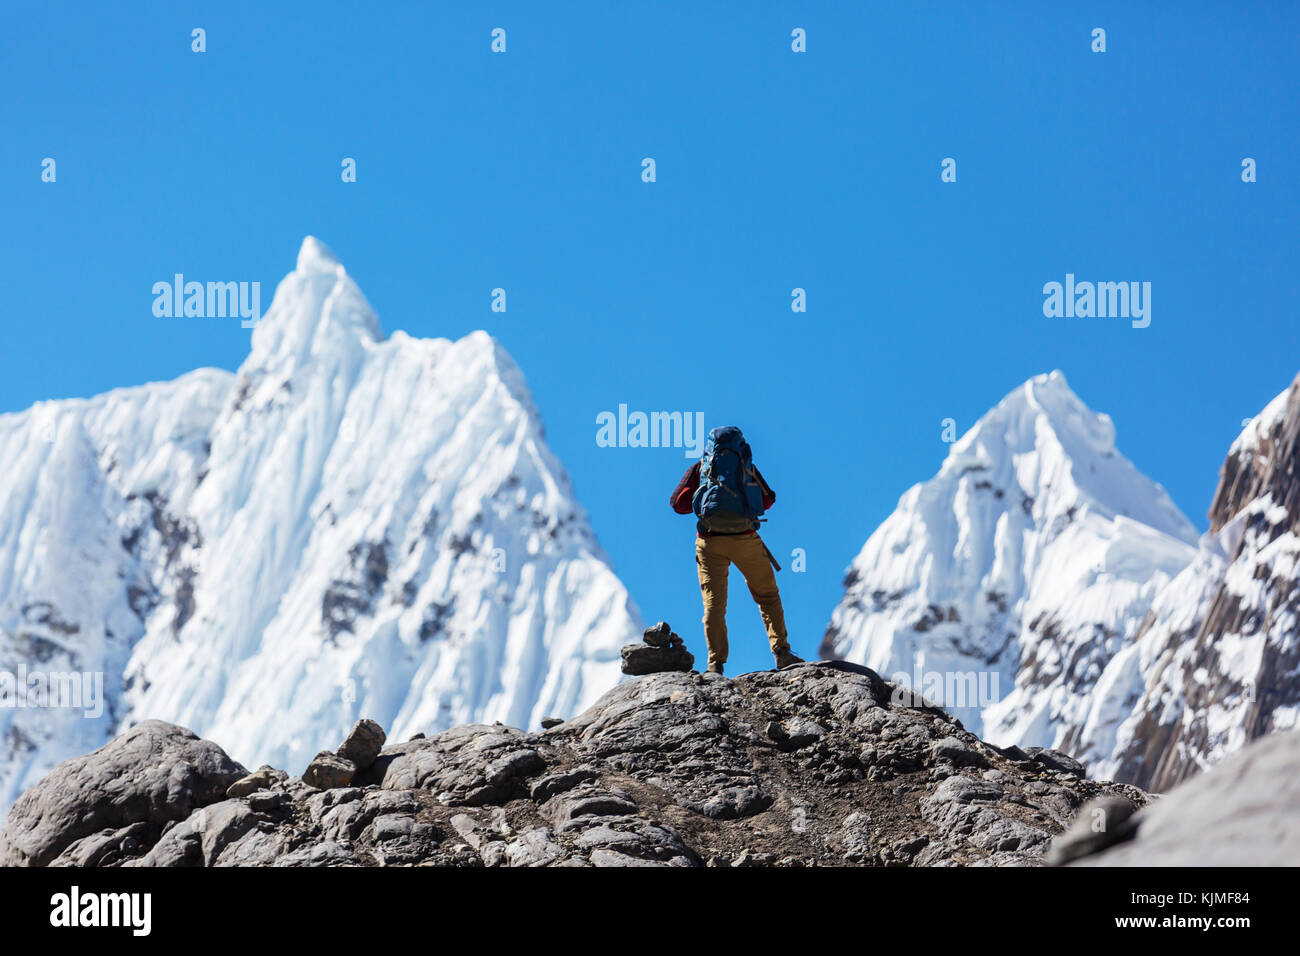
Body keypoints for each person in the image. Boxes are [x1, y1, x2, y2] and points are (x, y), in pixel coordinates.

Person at [670, 425, 804, 676]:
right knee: (767, 595)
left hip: (710, 542)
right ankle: (782, 652)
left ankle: (715, 663)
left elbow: (677, 504)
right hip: (745, 539)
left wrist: (707, 502)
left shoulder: (701, 467)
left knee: (714, 605)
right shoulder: (746, 466)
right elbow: (768, 499)